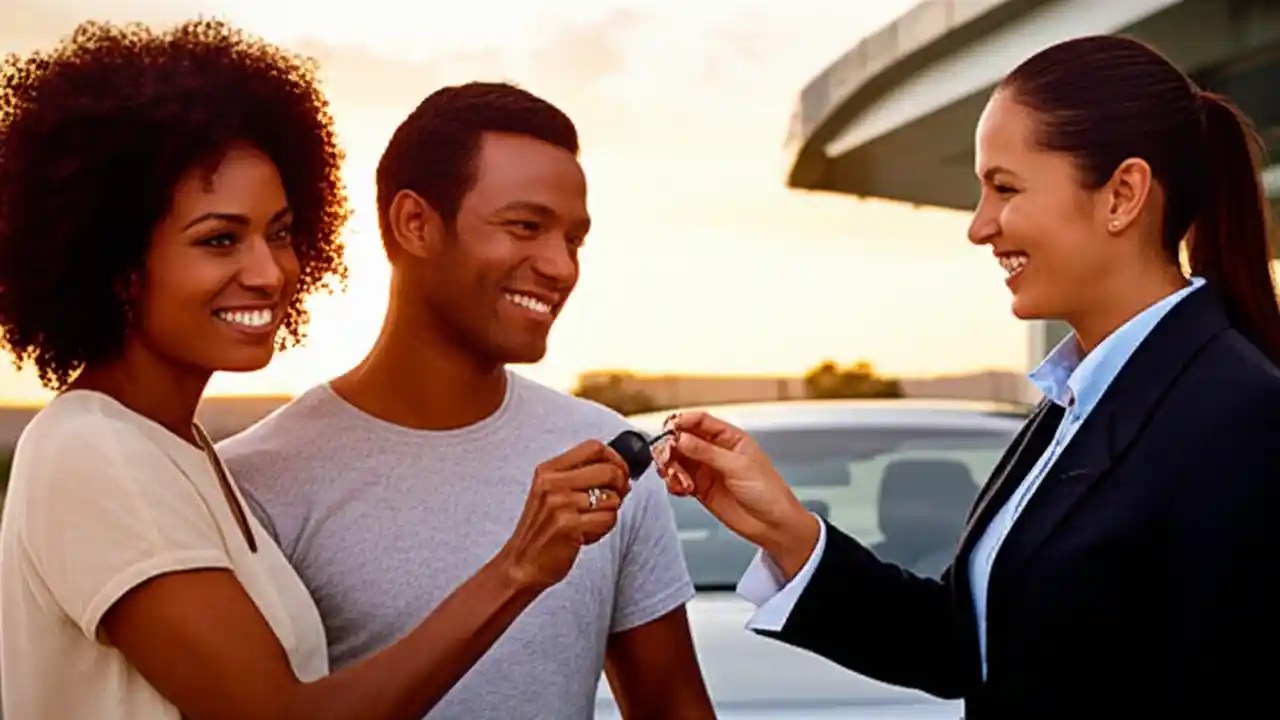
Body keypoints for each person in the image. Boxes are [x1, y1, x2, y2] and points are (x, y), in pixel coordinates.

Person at [0, 20, 632, 720]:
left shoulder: (176, 449)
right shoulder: (96, 451)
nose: (270, 272)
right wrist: (516, 570)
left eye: (278, 232)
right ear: (116, 265)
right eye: (218, 240)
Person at [654, 34, 1280, 719]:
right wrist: (784, 528)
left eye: (1004, 189)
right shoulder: (1075, 402)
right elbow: (960, 646)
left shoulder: (1239, 417)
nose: (980, 228)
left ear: (1123, 194)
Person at [217, 81, 715, 719]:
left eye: (574, 240)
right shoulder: (257, 481)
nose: (561, 266)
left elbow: (673, 706)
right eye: (525, 227)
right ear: (415, 223)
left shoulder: (603, 458)